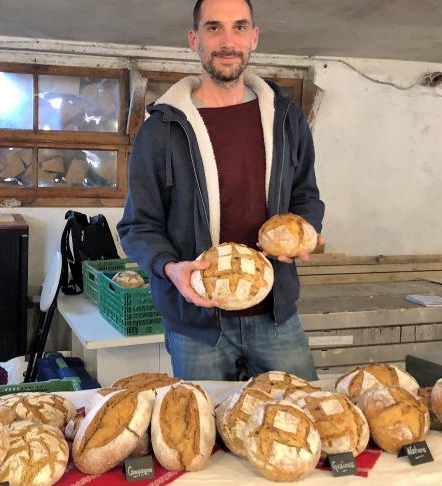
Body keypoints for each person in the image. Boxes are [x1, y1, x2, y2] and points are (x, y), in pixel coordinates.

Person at [117, 0, 325, 381]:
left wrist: (305, 232)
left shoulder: (286, 119)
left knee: (300, 416)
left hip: (276, 315)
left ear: (254, 37)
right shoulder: (161, 130)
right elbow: (138, 225)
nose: (228, 41)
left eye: (239, 27)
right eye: (214, 28)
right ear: (194, 40)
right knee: (205, 435)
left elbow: (306, 196)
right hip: (197, 325)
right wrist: (171, 268)